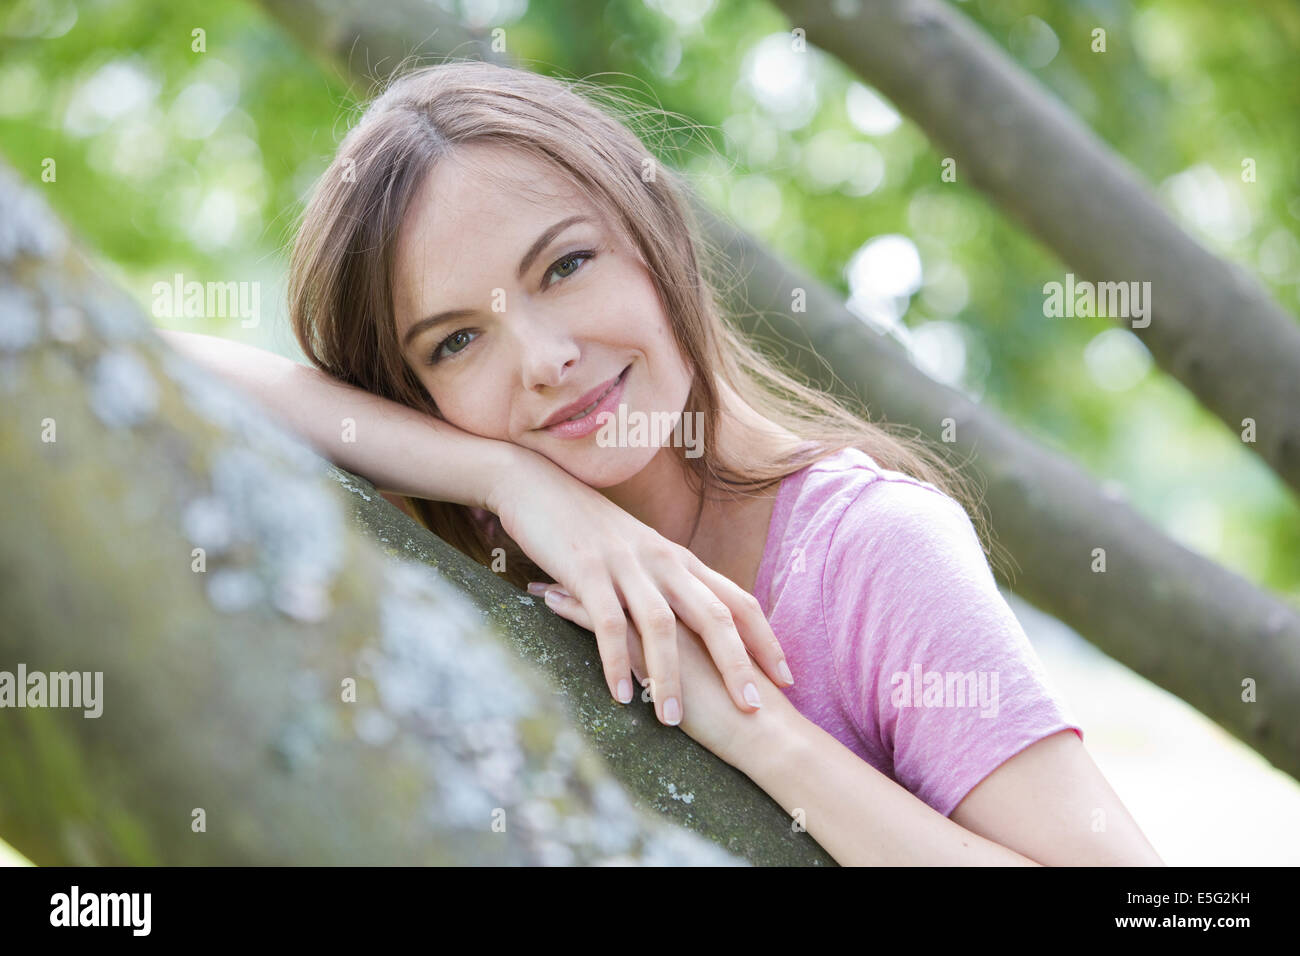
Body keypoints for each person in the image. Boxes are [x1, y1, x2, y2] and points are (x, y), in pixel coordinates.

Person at [162, 60, 1164, 865]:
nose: (545, 356)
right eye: (455, 342)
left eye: (564, 265)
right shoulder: (463, 560)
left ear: (658, 240)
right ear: (413, 395)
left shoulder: (863, 551)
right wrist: (511, 481)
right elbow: (147, 361)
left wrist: (754, 728)